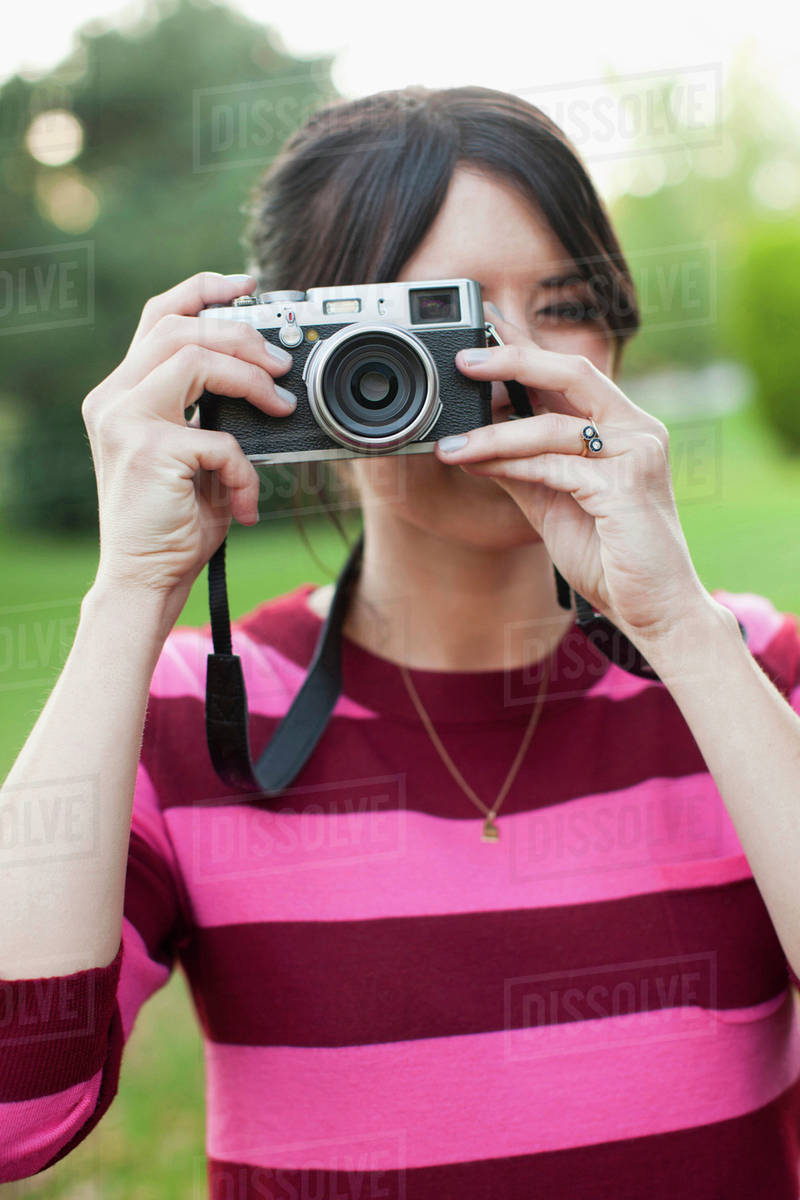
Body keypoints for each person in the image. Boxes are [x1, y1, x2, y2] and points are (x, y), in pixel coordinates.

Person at [2, 85, 800, 1199]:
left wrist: (676, 628)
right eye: (437, 316)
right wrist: (128, 593)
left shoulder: (753, 674)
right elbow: (13, 1107)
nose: (502, 368)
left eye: (559, 305)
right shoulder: (186, 713)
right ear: (280, 363)